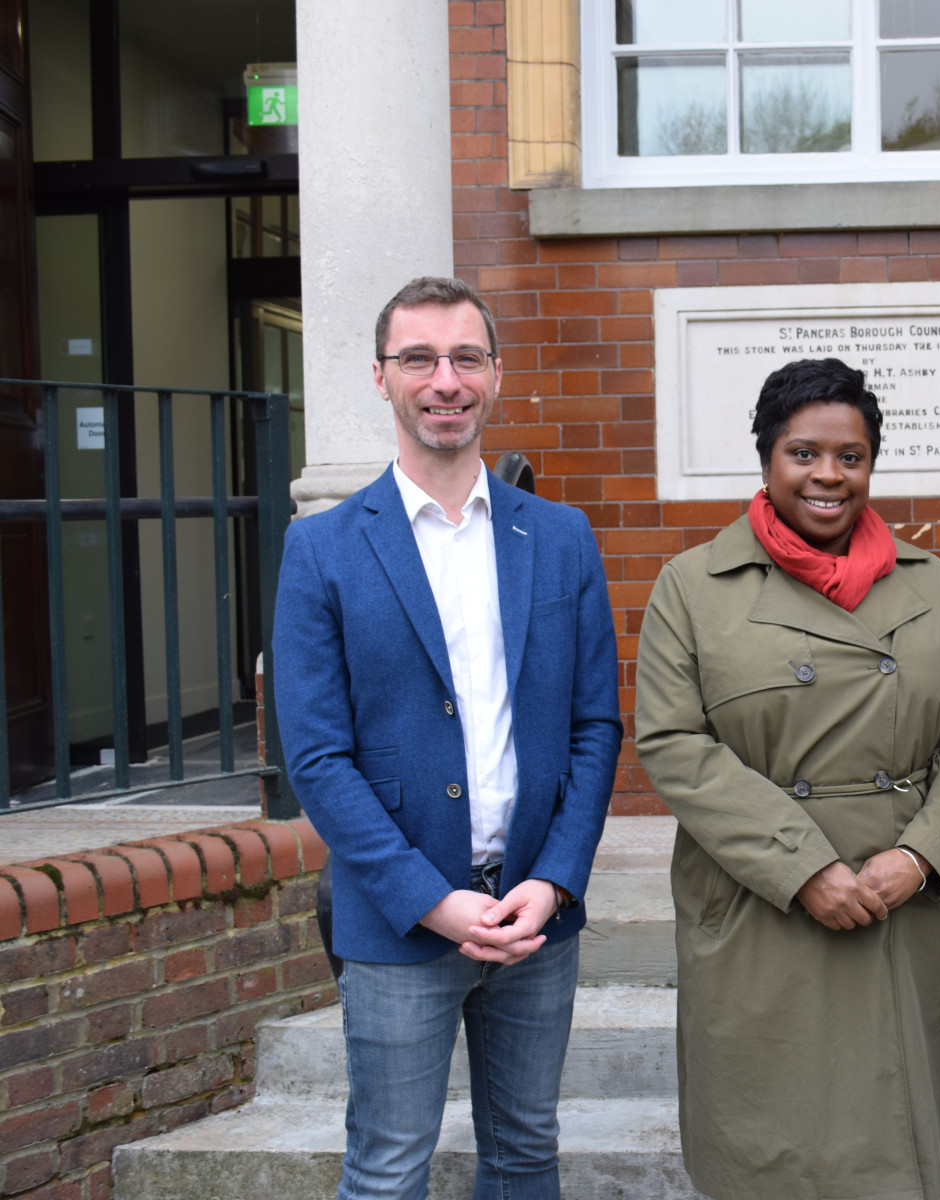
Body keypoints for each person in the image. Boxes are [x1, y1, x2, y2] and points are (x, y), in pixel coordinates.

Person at [273, 276, 622, 1200]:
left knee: (524, 1153)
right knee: (387, 1169)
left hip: (535, 918)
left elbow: (595, 726)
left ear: (496, 375)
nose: (445, 379)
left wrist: (554, 881)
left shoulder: (560, 536)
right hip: (398, 922)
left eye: (466, 357)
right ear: (380, 377)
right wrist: (429, 901)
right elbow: (314, 754)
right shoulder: (323, 548)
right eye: (419, 358)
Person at [633, 357, 940, 1200]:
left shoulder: (932, 586)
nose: (829, 476)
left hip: (899, 908)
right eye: (805, 453)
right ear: (767, 459)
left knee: (895, 1153)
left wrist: (918, 860)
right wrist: (803, 868)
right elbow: (674, 742)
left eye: (851, 455)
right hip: (763, 907)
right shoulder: (692, 587)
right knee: (771, 1154)